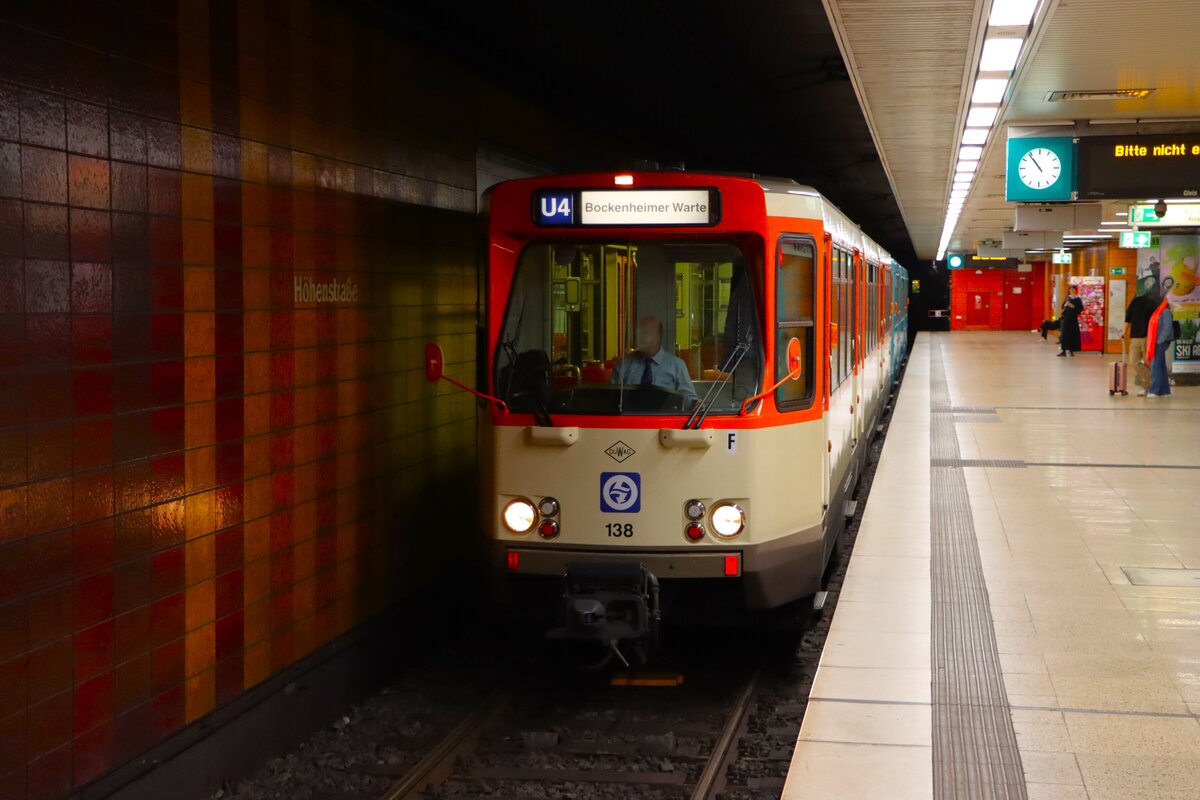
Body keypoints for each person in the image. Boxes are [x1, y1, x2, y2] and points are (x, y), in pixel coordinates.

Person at [611, 316, 698, 406]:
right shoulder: (623, 364)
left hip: (663, 417)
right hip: (630, 417)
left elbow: (689, 398)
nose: (642, 337)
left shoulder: (676, 365)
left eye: (647, 332)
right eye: (640, 332)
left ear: (658, 336)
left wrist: (694, 403)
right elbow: (611, 397)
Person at [1124, 288, 1159, 395]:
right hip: (1136, 337)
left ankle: (1147, 387)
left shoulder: (1153, 303)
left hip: (1147, 337)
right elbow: (1128, 317)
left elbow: (1127, 318)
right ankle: (1153, 382)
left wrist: (1124, 331)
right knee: (1135, 362)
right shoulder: (1136, 302)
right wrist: (1124, 332)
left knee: (1144, 362)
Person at [1145, 296, 1174, 397]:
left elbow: (1167, 328)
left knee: (1156, 366)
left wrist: (1159, 341)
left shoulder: (1165, 312)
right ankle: (1165, 391)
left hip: (1160, 342)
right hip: (1157, 342)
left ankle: (1155, 390)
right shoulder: (1159, 312)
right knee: (1161, 366)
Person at [1057, 285, 1084, 357]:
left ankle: (1071, 350)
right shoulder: (1067, 297)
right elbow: (1062, 306)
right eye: (1071, 289)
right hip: (1066, 318)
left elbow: (1080, 309)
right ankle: (1064, 351)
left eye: (1073, 289)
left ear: (1075, 290)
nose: (1072, 291)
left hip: (1073, 319)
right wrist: (1066, 305)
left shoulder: (1078, 299)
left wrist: (1073, 306)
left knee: (1072, 333)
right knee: (1064, 333)